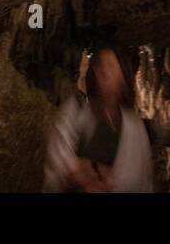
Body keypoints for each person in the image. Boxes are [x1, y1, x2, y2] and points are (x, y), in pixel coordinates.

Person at [43, 47, 153, 192]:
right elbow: (58, 160)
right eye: (101, 65)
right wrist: (83, 175)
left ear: (123, 76)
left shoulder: (134, 128)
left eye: (111, 66)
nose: (104, 71)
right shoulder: (74, 111)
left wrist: (93, 172)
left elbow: (139, 180)